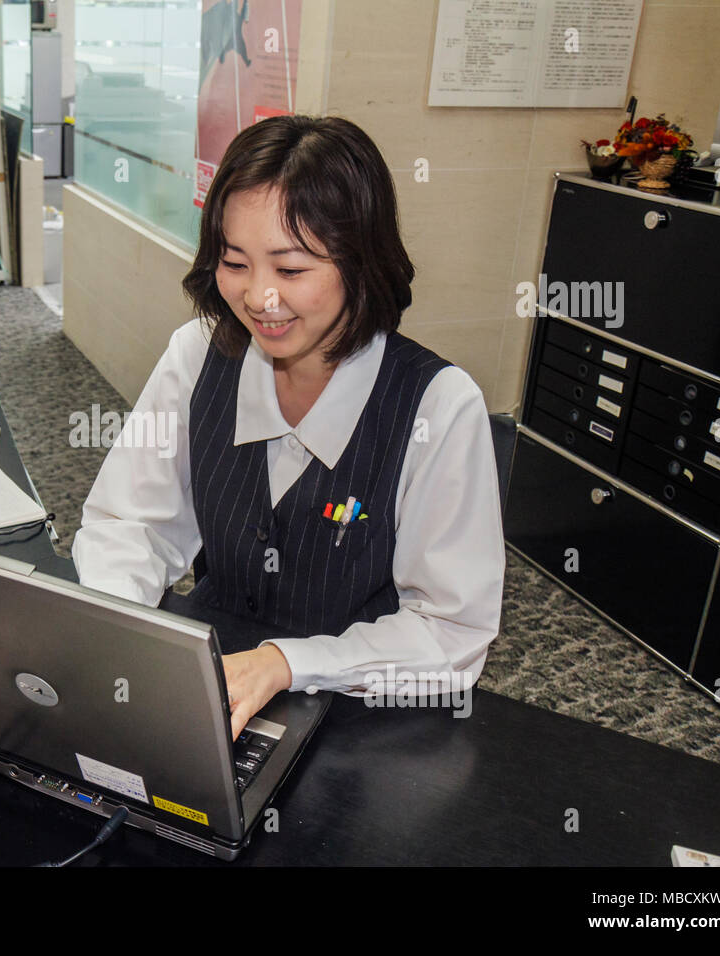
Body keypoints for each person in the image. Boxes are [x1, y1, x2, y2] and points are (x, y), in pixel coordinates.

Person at [71, 115, 505, 738]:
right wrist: (122, 631)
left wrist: (286, 662)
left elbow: (451, 633)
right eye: (234, 262)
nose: (259, 299)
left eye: (292, 269)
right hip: (209, 691)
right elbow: (133, 522)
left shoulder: (437, 405)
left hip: (357, 716)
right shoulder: (198, 355)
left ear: (362, 262)